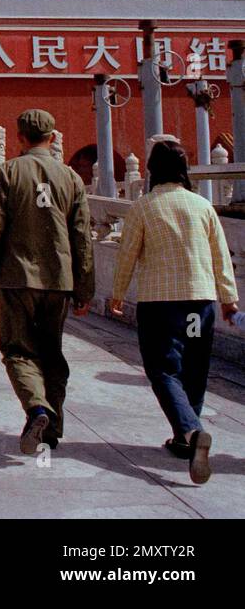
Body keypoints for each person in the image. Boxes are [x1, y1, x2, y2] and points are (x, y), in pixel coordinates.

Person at [109, 140, 239, 484]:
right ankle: (185, 440)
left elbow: (127, 254)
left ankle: (191, 432)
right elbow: (220, 256)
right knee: (195, 370)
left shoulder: (144, 207)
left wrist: (117, 293)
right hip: (201, 301)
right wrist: (229, 299)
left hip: (161, 304)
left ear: (152, 171)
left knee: (164, 371)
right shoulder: (202, 205)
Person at [0, 108, 94, 456]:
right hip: (59, 280)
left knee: (17, 350)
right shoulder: (72, 178)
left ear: (20, 138)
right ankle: (52, 430)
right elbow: (82, 237)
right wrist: (84, 289)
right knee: (51, 352)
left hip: (17, 276)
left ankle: (37, 409)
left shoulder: (9, 171)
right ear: (53, 138)